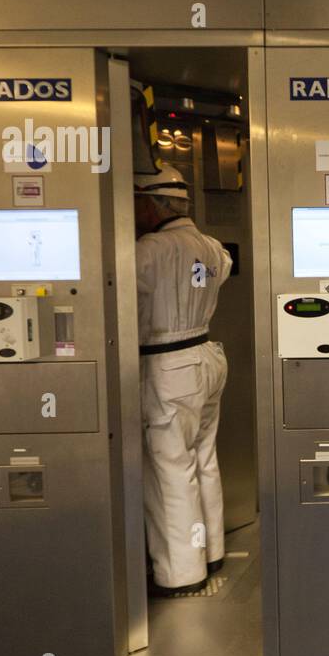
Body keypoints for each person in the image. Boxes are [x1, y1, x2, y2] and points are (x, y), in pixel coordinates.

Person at [134, 163, 233, 595]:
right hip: (206, 357)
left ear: (154, 204)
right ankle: (210, 550)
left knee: (169, 469)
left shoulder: (149, 250)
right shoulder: (213, 249)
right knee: (203, 459)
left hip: (168, 366)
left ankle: (181, 573)